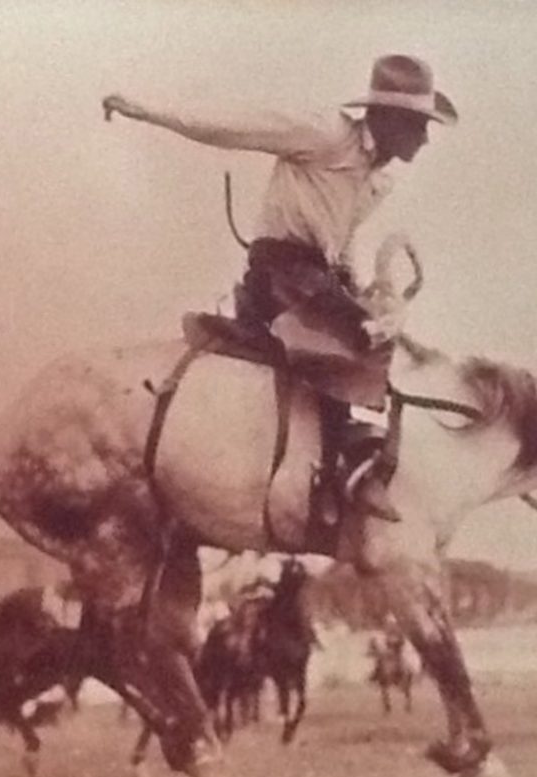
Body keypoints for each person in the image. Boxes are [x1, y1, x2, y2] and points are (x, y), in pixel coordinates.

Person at [102, 54, 457, 524]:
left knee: (380, 331)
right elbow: (238, 126)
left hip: (317, 275)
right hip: (280, 272)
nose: (424, 138)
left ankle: (339, 458)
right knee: (361, 339)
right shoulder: (326, 134)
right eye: (418, 125)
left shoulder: (378, 180)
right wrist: (147, 110)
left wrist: (358, 286)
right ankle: (347, 469)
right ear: (389, 119)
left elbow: (339, 238)